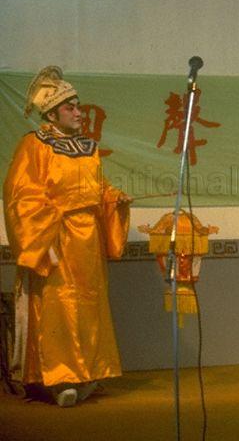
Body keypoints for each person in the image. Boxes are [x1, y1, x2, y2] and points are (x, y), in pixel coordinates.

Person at [3, 66, 132, 407]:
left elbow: (96, 190)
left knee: (89, 306)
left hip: (86, 241)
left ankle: (89, 371)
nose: (78, 112)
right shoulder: (34, 146)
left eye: (78, 105)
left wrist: (113, 199)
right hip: (55, 239)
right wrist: (54, 218)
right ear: (51, 113)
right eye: (70, 107)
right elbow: (20, 195)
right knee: (58, 308)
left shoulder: (88, 149)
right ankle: (58, 378)